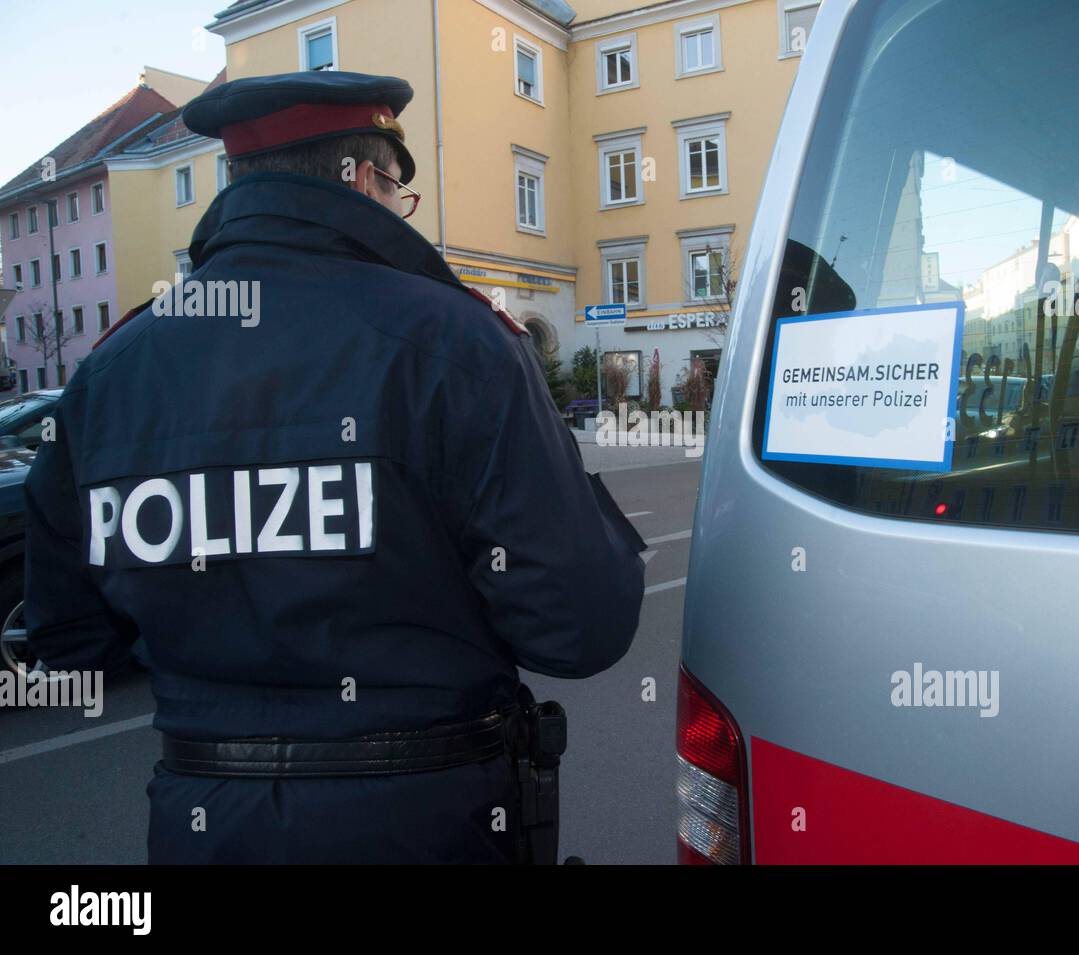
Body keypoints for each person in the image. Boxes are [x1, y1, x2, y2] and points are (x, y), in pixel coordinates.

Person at [23, 71, 646, 864]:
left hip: (203, 823)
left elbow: (67, 634)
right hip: (427, 823)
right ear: (363, 177)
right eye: (398, 192)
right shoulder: (455, 344)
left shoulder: (111, 371)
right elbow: (581, 626)